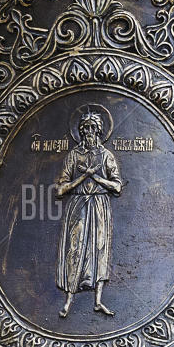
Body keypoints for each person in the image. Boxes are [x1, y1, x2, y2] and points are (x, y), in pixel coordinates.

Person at [55, 109, 123, 317]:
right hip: (78, 205)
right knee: (75, 248)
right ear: (81, 131)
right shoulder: (74, 156)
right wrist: (83, 177)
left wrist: (97, 179)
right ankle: (68, 300)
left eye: (93, 128)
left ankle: (99, 300)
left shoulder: (106, 156)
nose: (89, 132)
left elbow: (117, 186)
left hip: (100, 205)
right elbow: (60, 188)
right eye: (85, 129)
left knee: (99, 248)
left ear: (100, 131)